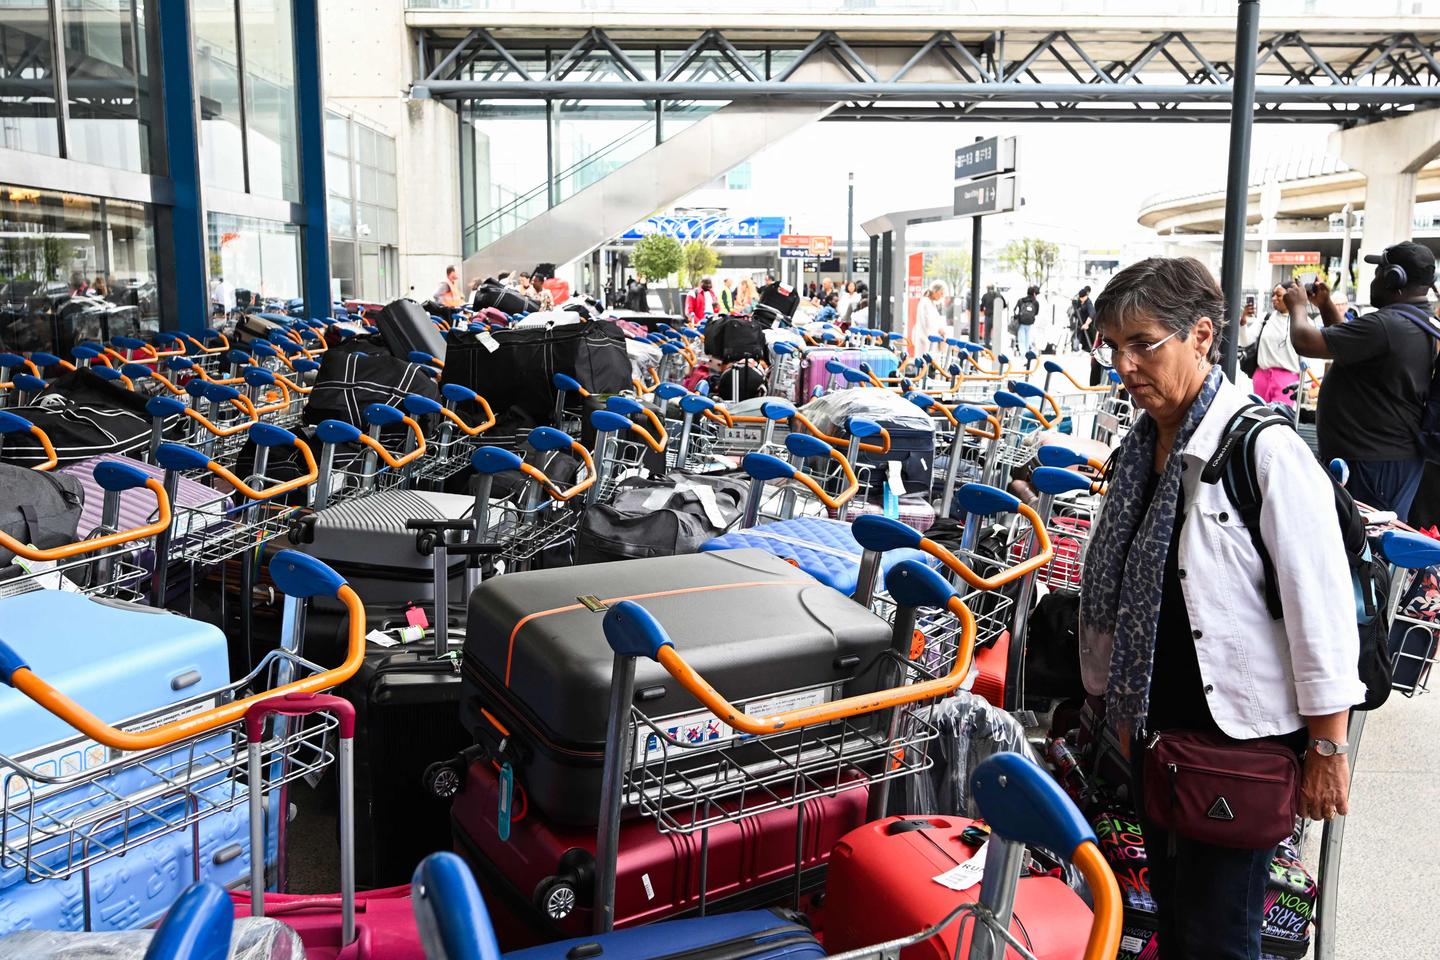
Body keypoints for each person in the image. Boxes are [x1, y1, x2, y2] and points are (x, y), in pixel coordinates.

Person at [1080, 256, 1362, 960]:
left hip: (1237, 745)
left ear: (1202, 336)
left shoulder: (1264, 452)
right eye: (1111, 346)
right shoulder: (1143, 446)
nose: (1124, 364)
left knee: (1220, 937)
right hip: (1153, 731)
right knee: (1174, 922)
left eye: (1143, 343)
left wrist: (1328, 748)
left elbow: (1319, 611)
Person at [1284, 240, 1438, 521]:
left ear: (1394, 278)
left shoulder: (1387, 325)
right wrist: (1326, 304)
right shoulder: (1416, 321)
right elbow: (1348, 343)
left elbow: (1305, 341)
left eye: (1379, 271)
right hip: (1385, 458)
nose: (1374, 278)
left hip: (1372, 463)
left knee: (1363, 549)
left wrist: (1298, 306)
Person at [1245, 284, 1312, 406]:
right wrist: (1243, 323)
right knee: (1259, 418)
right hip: (1261, 376)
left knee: (1280, 419)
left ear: (1290, 297)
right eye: (1273, 295)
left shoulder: (1303, 321)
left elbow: (1308, 354)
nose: (1274, 298)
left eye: (1279, 295)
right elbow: (1245, 341)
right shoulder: (1265, 318)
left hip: (1287, 380)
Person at [910, 280, 947, 357]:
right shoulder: (925, 303)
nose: (942, 296)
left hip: (929, 340)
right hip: (925, 340)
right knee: (924, 364)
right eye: (941, 293)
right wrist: (938, 330)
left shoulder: (931, 303)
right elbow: (927, 323)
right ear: (935, 291)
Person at [1012, 284, 1040, 356]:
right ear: (1034, 293)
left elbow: (1015, 310)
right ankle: (1027, 354)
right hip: (1030, 323)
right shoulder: (1035, 302)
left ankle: (1023, 355)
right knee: (1027, 340)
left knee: (1021, 340)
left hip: (1021, 322)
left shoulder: (1021, 300)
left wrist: (1017, 316)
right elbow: (1036, 313)